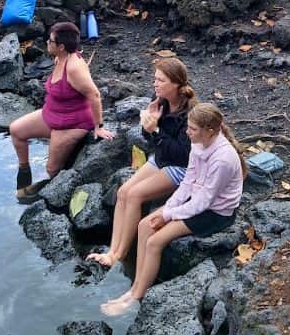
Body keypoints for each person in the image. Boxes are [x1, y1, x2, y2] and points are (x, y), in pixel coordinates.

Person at [100, 103, 245, 317]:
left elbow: (203, 203)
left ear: (210, 131)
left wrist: (168, 215)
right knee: (144, 225)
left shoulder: (223, 159)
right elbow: (187, 182)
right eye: (188, 127)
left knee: (155, 241)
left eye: (193, 129)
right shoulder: (198, 144)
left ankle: (137, 296)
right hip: (197, 201)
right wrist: (168, 208)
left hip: (216, 214)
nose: (187, 133)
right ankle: (135, 285)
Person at [87, 57, 195, 267]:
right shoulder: (162, 103)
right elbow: (151, 141)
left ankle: (119, 255)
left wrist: (155, 129)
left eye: (160, 80)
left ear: (176, 84)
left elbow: (183, 154)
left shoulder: (189, 113)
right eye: (155, 79)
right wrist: (148, 128)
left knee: (135, 195)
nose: (155, 84)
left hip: (181, 167)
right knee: (122, 192)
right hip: (162, 159)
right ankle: (113, 248)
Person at [10, 22, 113, 203]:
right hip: (52, 114)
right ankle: (24, 171)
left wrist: (99, 126)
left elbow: (95, 94)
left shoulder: (74, 68)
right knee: (16, 130)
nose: (47, 43)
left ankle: (53, 197)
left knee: (51, 169)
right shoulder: (59, 58)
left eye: (50, 41)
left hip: (72, 123)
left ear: (61, 46)